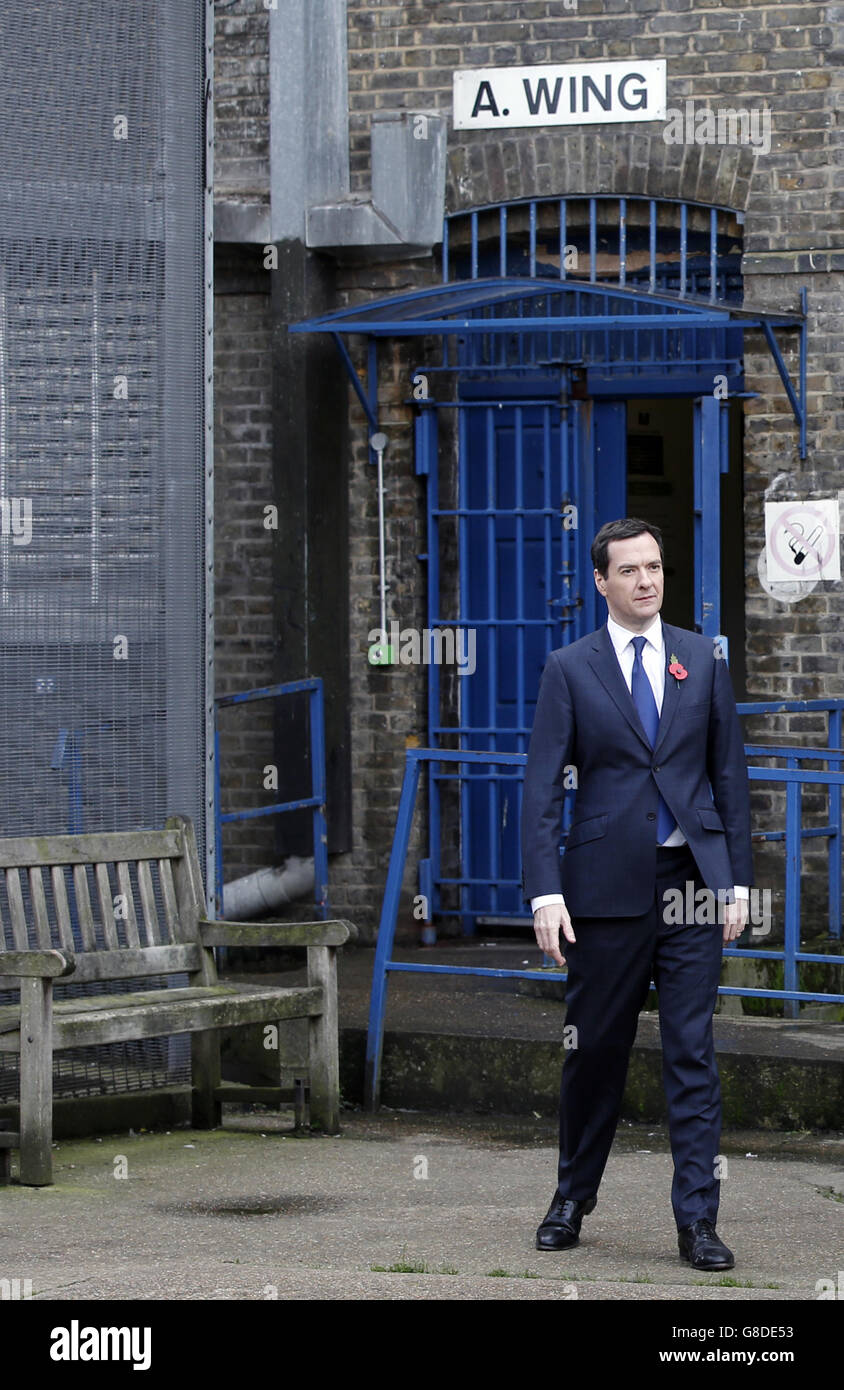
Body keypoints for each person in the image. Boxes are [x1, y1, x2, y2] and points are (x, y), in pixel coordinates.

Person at [520, 517, 753, 1270]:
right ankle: (571, 1198)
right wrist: (544, 894)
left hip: (690, 888)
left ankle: (697, 1223)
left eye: (655, 567)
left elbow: (729, 776)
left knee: (692, 1052)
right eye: (630, 570)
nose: (647, 580)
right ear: (602, 582)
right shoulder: (570, 667)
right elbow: (540, 793)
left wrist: (737, 880)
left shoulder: (701, 658)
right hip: (605, 894)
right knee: (594, 1054)